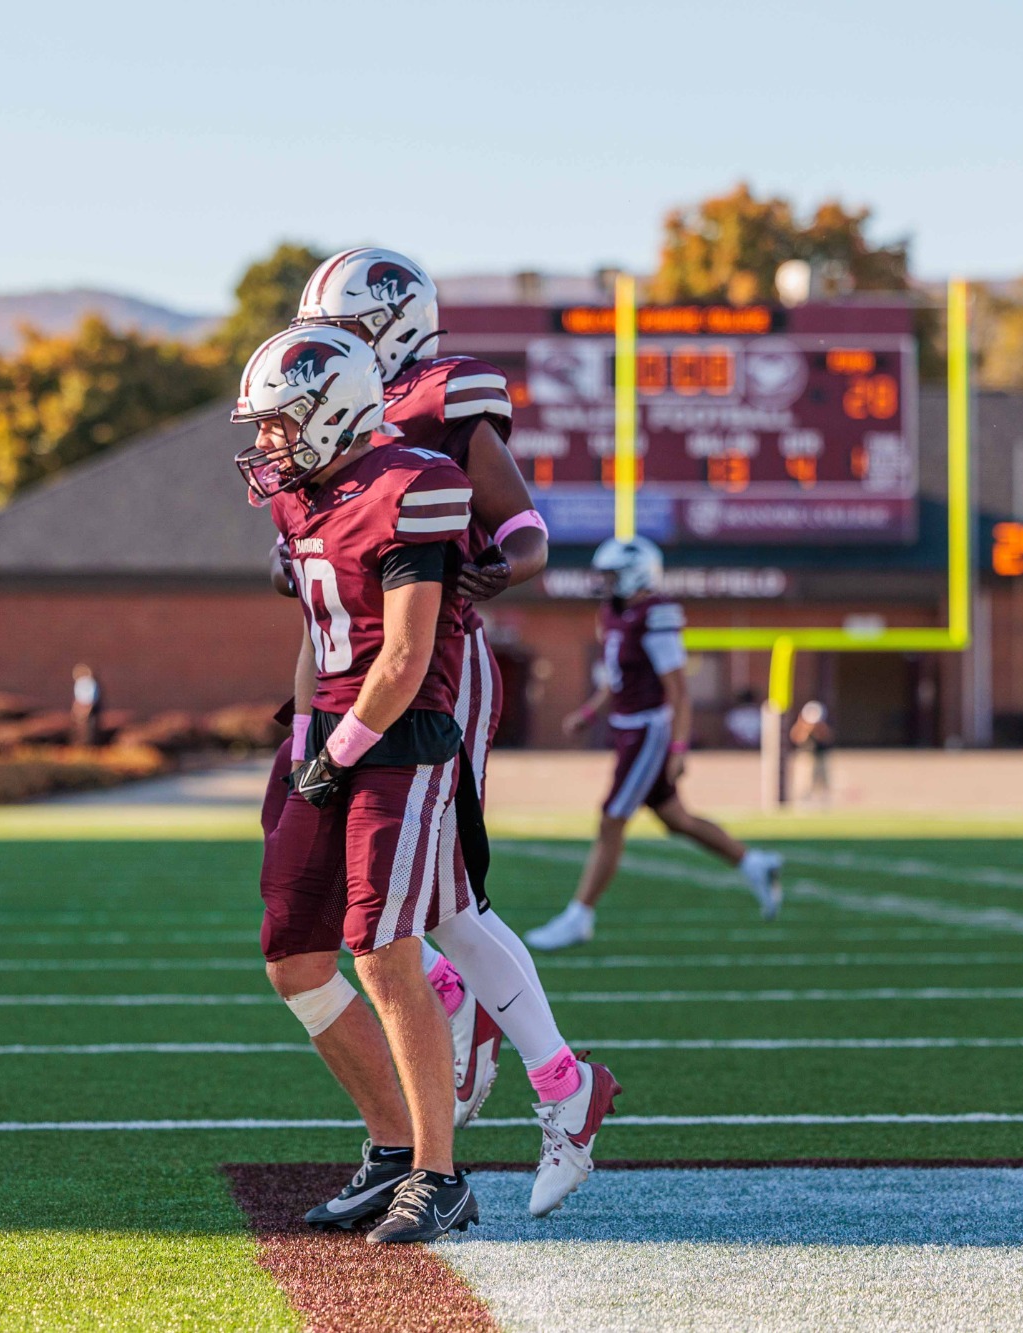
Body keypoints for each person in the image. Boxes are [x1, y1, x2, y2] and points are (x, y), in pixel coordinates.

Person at [287, 246, 616, 1216]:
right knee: (423, 903)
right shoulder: (335, 425)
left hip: (430, 665)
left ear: (387, 325)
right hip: (361, 674)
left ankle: (549, 1075)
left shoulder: (437, 397)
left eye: (341, 334)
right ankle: (516, 1053)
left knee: (427, 899)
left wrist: (497, 568)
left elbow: (522, 528)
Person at [241, 325, 491, 1243]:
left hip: (399, 737)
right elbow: (316, 634)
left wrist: (336, 751)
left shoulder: (411, 486)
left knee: (382, 948)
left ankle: (441, 1172)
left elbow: (407, 654)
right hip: (330, 735)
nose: (267, 444)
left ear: (332, 409)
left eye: (278, 424)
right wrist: (303, 733)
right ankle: (391, 1149)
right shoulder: (304, 496)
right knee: (293, 956)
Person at [526, 536, 783, 950]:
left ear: (635, 574)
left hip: (649, 730)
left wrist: (679, 749)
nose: (605, 583)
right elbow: (615, 676)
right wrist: (591, 712)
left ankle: (579, 915)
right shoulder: (613, 613)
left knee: (611, 819)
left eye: (612, 575)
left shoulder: (656, 614)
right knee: (675, 818)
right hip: (627, 727)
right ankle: (753, 862)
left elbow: (678, 691)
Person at [792, 700, 835, 804]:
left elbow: (828, 738)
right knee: (804, 784)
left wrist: (819, 729)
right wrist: (805, 727)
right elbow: (796, 738)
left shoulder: (823, 727)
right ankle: (803, 804)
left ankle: (824, 804)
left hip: (821, 757)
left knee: (823, 783)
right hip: (806, 757)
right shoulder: (802, 726)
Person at [71, 663, 102, 747]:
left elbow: (91, 698)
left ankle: (88, 744)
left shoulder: (90, 683)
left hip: (89, 709)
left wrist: (87, 710)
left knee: (89, 728)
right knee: (79, 728)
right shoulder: (79, 683)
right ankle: (80, 743)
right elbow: (78, 698)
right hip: (80, 709)